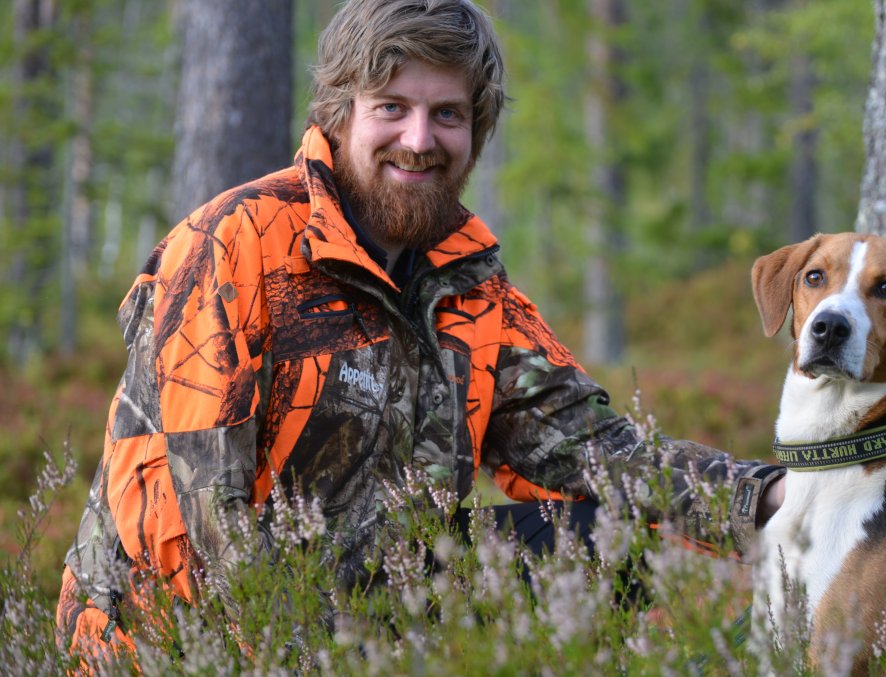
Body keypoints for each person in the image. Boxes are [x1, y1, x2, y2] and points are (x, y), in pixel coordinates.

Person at [55, 0, 785, 657]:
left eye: (447, 113)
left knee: (603, 542)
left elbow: (603, 452)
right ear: (340, 115)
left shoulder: (468, 283)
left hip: (376, 611)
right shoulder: (234, 245)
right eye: (392, 108)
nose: (419, 138)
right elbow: (199, 530)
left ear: (477, 128)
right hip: (178, 641)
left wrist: (773, 496)